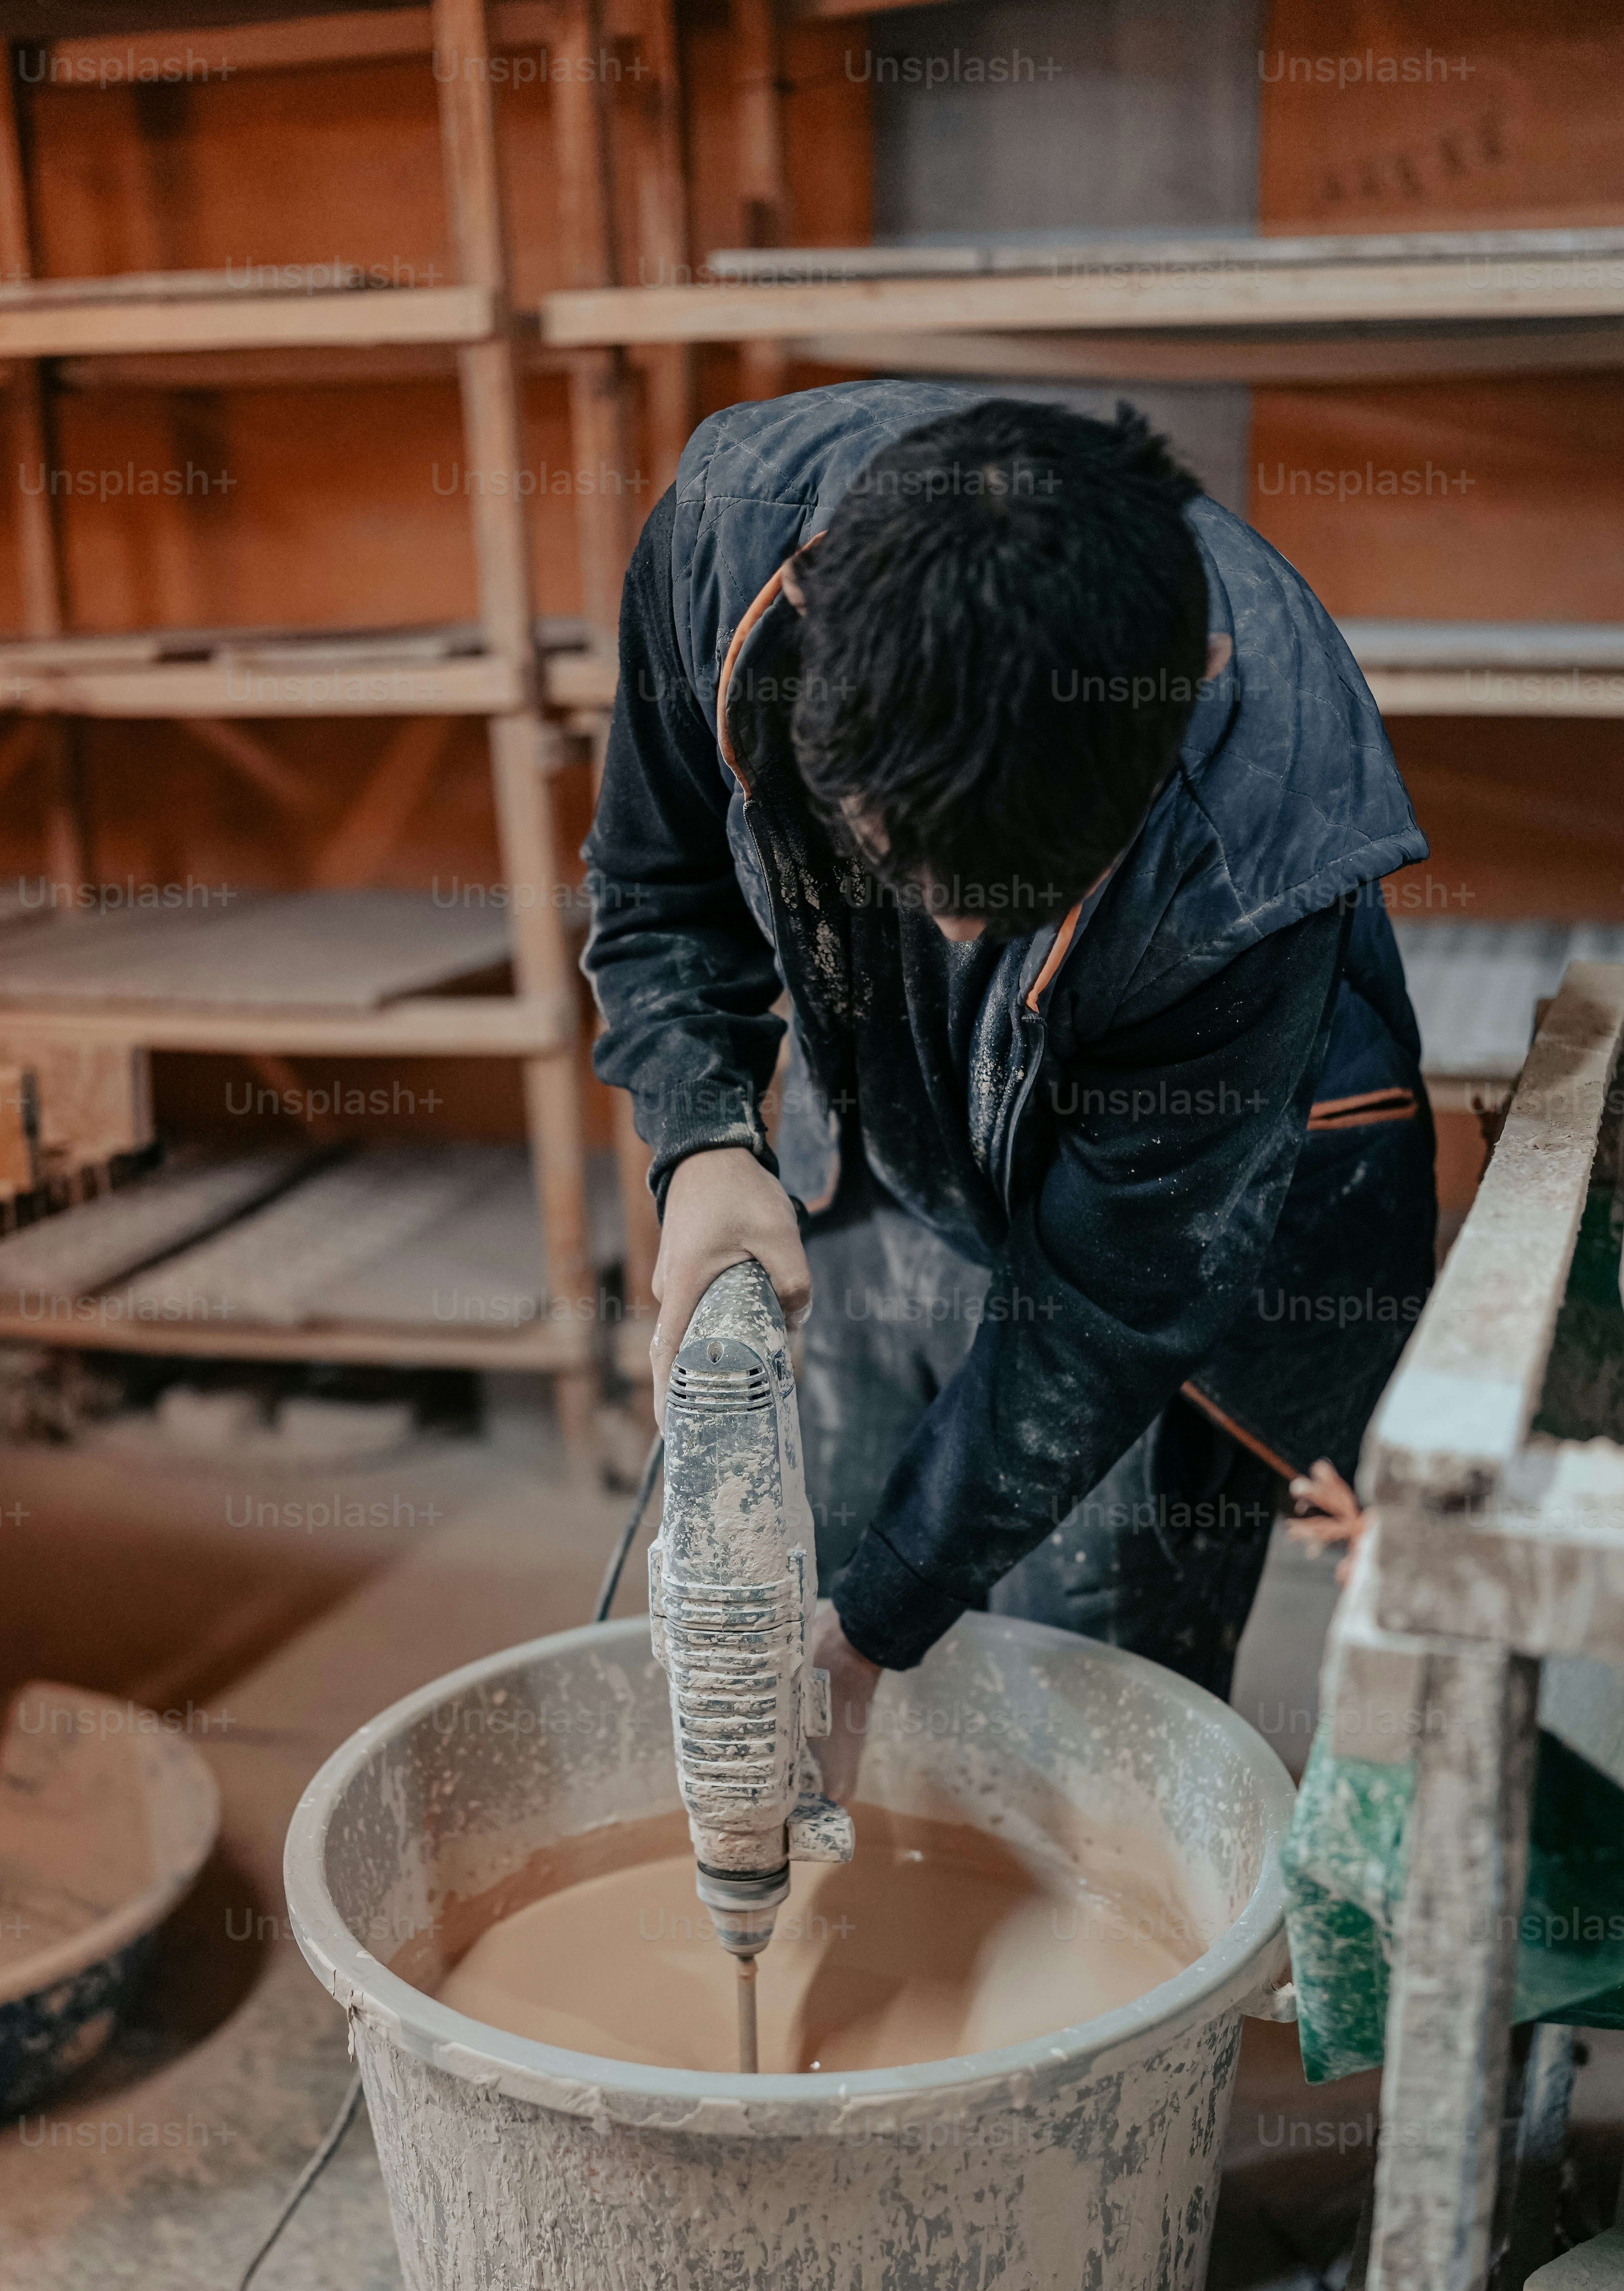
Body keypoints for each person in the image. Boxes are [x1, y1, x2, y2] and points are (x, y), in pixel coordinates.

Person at [585, 384, 1436, 1798]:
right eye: (905, 870)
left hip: (1194, 1224)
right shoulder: (732, 545)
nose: (961, 930)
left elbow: (1104, 1306)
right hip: (898, 1118)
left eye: (1010, 900)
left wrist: (875, 1631)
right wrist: (703, 1143)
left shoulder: (1260, 847)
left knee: (1076, 1722)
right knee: (819, 1565)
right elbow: (657, 883)